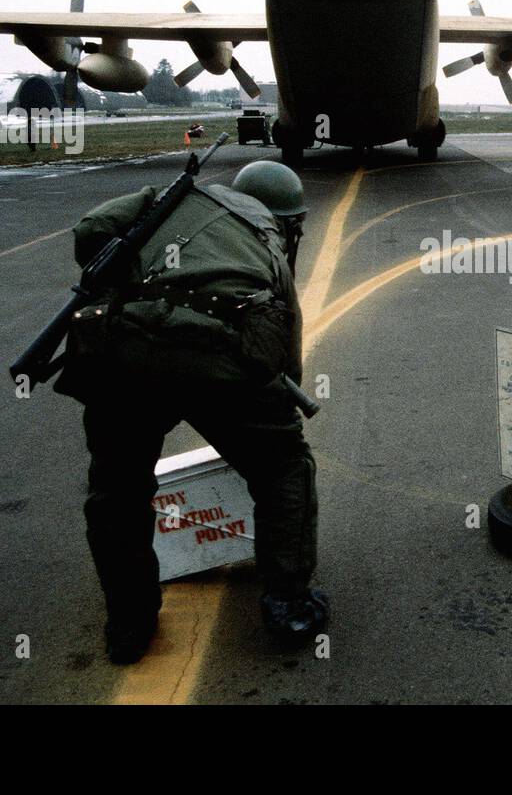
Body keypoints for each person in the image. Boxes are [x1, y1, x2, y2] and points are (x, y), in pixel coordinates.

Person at [54, 159, 325, 663]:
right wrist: (280, 411)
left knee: (118, 491)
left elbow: (88, 232)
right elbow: (287, 340)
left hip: (127, 350)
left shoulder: (165, 199)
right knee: (284, 468)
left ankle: (129, 625)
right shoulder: (267, 231)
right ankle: (287, 601)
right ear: (289, 218)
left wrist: (126, 261)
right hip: (226, 356)